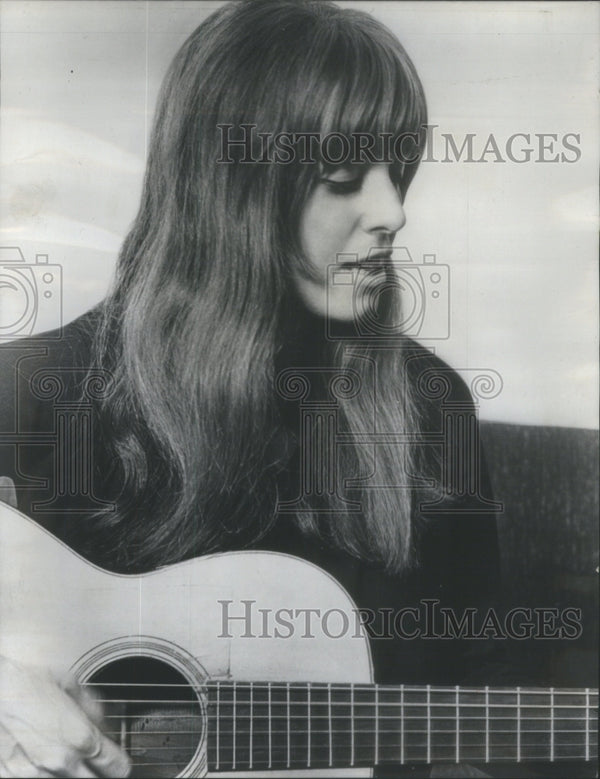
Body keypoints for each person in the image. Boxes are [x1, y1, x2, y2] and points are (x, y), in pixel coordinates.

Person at [0, 1, 536, 777]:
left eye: (398, 168)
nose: (393, 211)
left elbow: (485, 692)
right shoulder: (25, 398)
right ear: (233, 192)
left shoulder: (430, 406)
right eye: (344, 178)